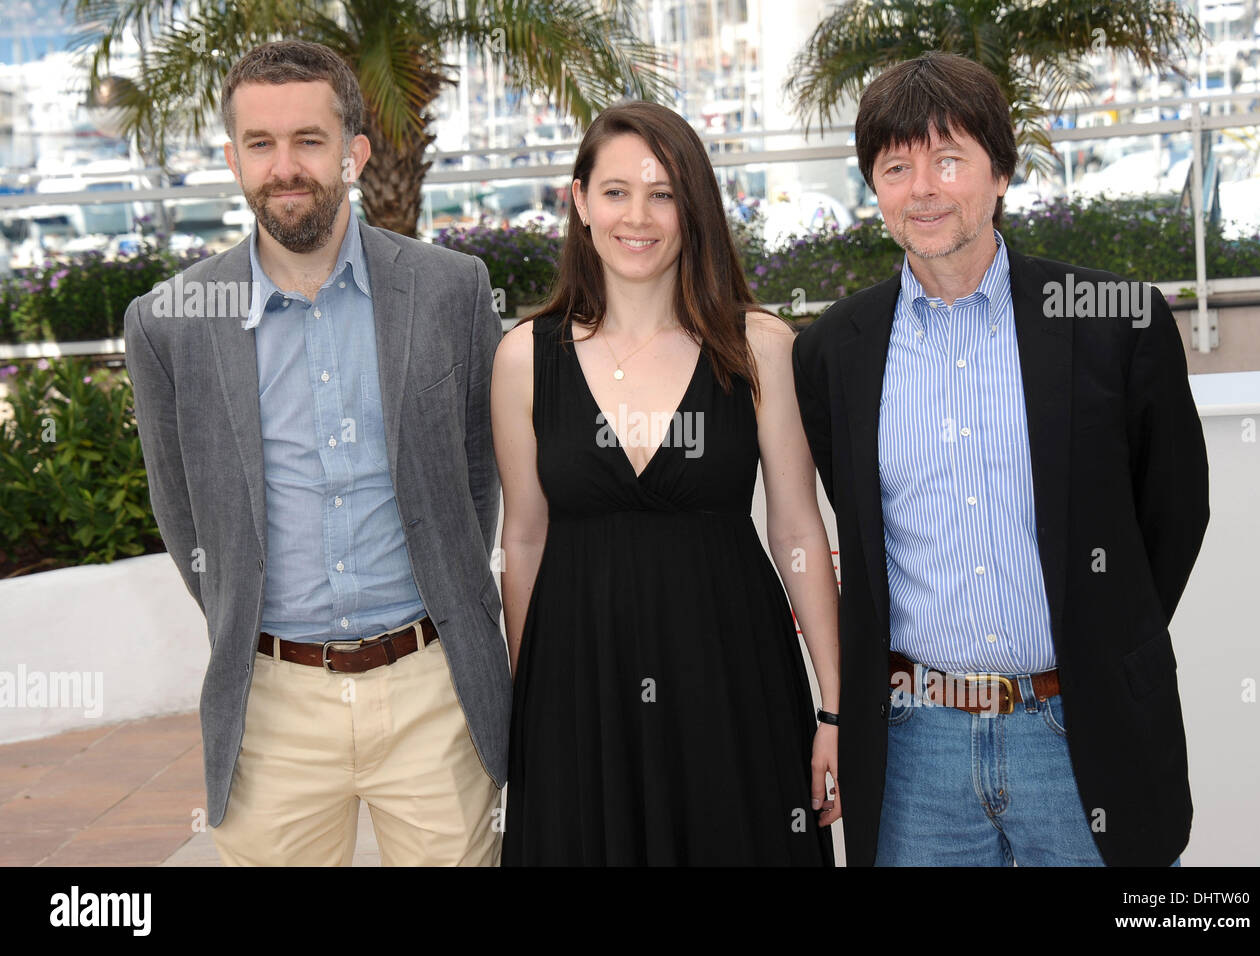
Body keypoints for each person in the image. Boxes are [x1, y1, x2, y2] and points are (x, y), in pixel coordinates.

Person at [792, 52, 1210, 867]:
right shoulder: (833, 351)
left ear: (1002, 171)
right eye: (897, 167)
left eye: (949, 160)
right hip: (918, 749)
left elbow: (1173, 510)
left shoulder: (1113, 320)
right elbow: (862, 532)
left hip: (1074, 727)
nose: (924, 190)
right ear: (874, 187)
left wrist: (1102, 646)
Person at [124, 40, 510, 865]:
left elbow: (479, 480)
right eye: (260, 145)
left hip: (431, 692)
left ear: (354, 152)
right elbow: (182, 512)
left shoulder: (451, 290)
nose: (285, 166)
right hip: (270, 706)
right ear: (233, 160)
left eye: (309, 140)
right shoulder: (170, 321)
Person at [492, 101, 840, 865]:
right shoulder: (525, 356)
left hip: (730, 678)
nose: (637, 216)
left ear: (694, 207)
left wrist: (834, 709)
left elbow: (797, 531)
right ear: (580, 203)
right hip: (580, 688)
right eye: (615, 191)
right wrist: (534, 702)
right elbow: (523, 537)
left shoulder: (759, 347)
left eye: (663, 192)